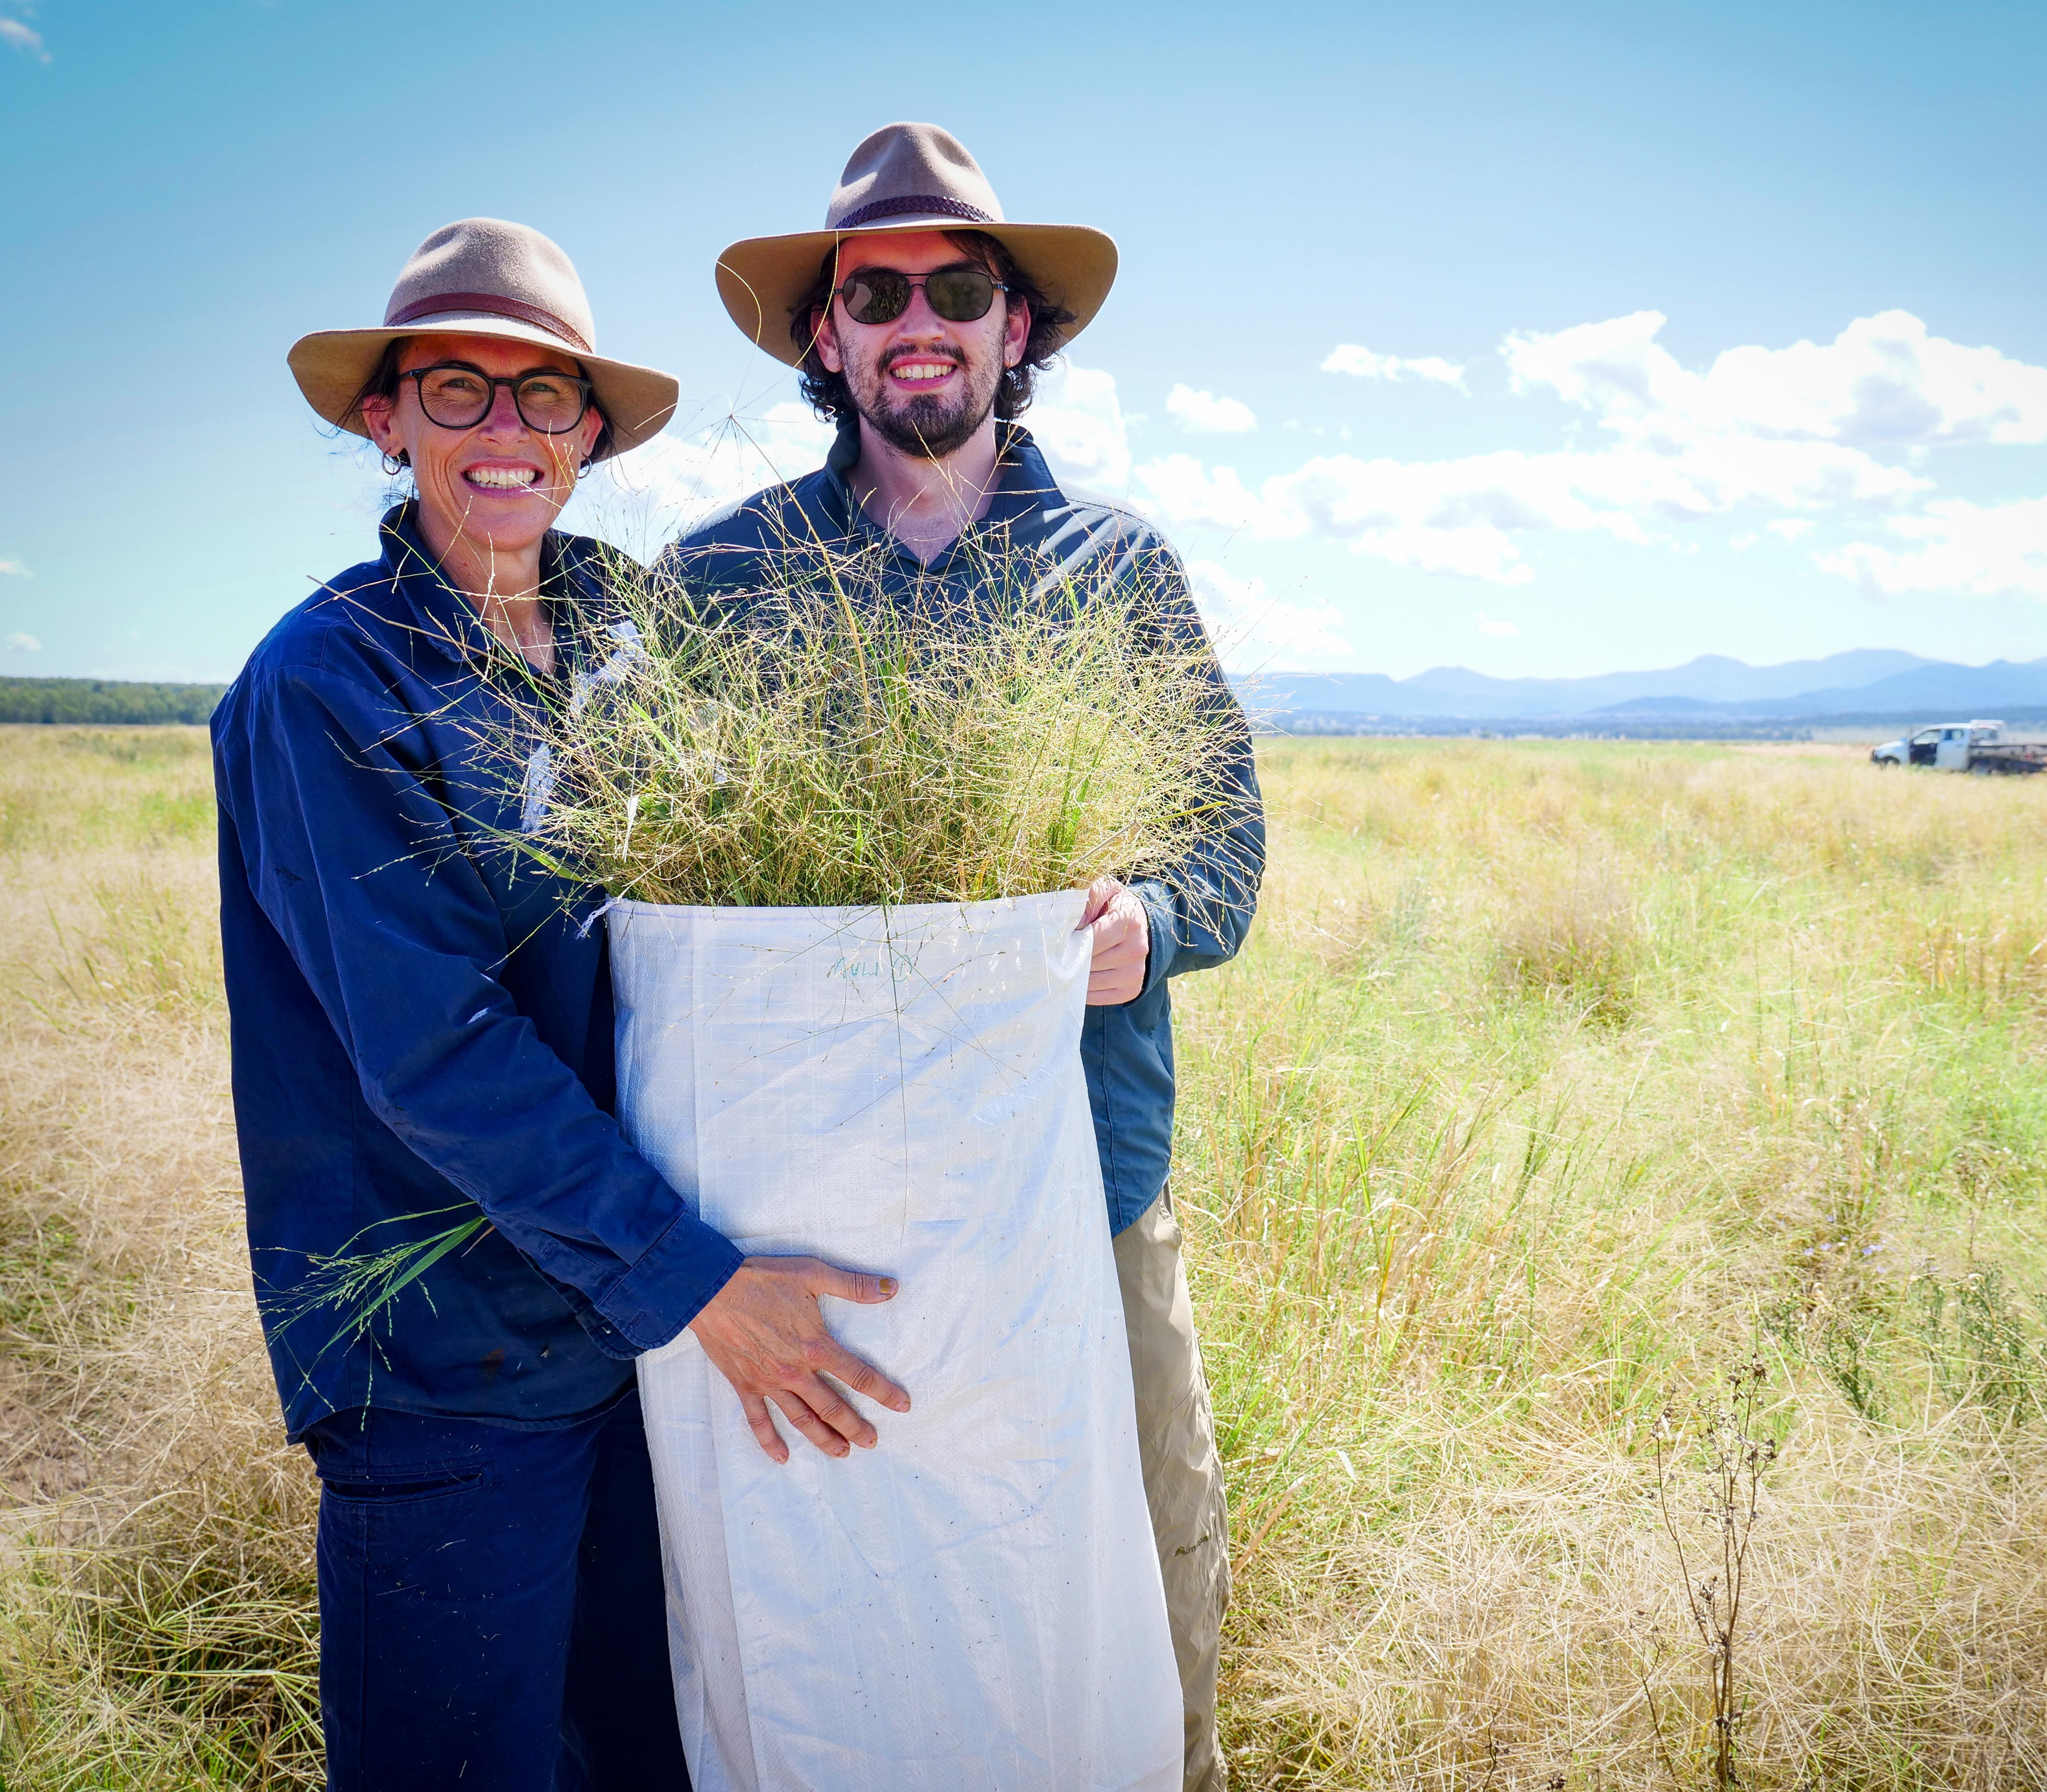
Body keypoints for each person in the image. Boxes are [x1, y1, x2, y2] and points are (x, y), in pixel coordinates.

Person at [217, 218, 914, 1791]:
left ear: (589, 431)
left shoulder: (632, 642)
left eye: (542, 398)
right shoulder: (326, 682)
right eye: (455, 392)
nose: (506, 433)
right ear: (384, 420)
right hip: (456, 1369)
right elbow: (436, 1053)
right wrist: (703, 1288)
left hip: (636, 1347)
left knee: (649, 1753)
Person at [669, 122, 1267, 1792]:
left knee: (1141, 1559)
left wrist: (1150, 924)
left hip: (1087, 1176)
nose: (916, 317)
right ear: (826, 335)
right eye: (876, 289)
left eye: (959, 287)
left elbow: (1229, 849)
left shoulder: (1118, 570)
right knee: (832, 1596)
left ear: (1021, 330)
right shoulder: (724, 581)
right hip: (810, 1219)